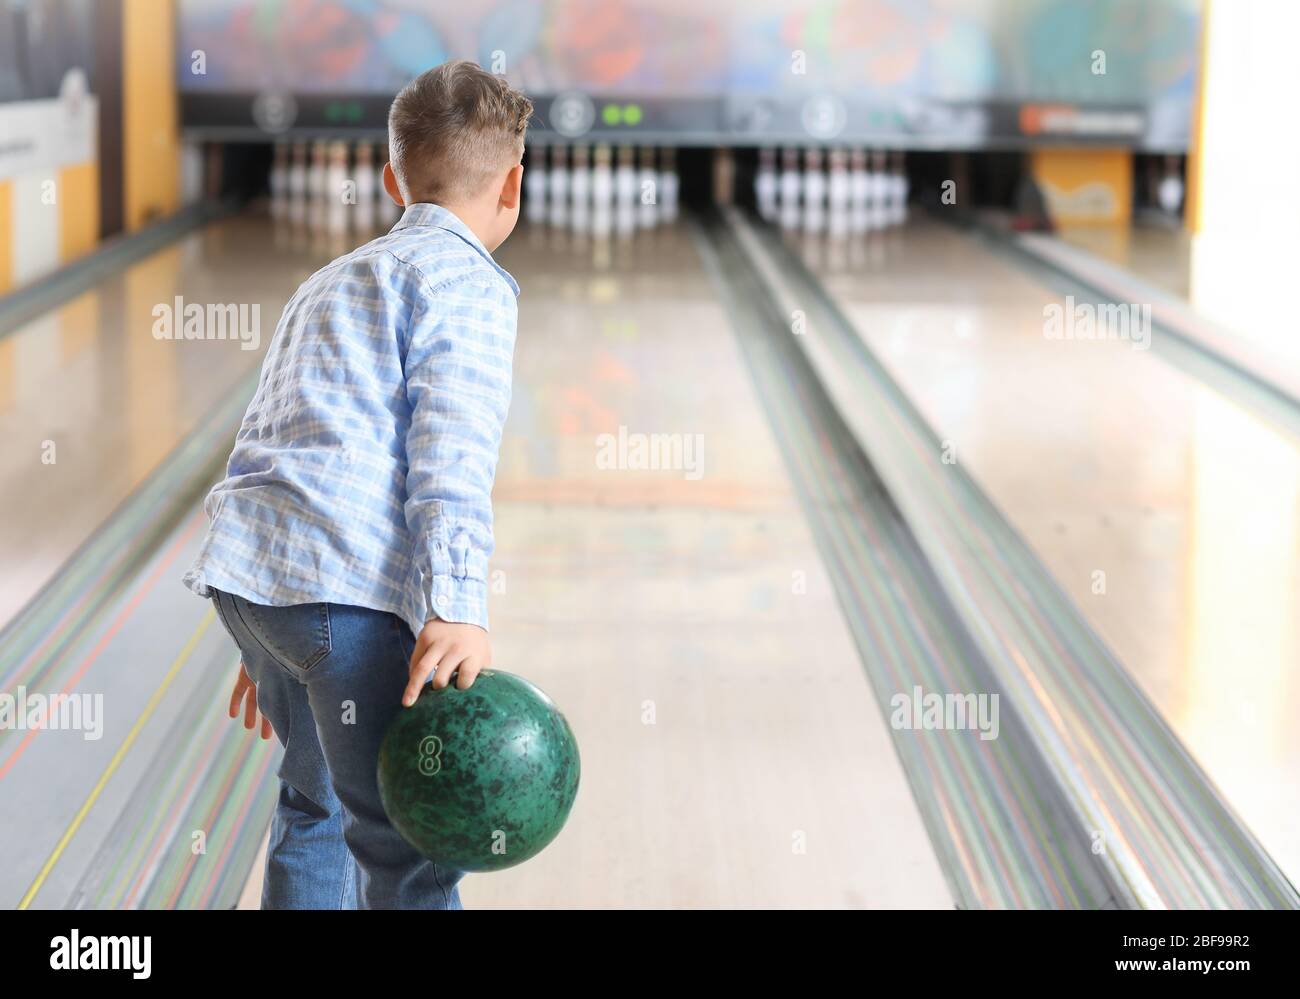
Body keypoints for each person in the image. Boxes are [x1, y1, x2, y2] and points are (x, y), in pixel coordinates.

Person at [182, 60, 532, 910]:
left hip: (260, 584)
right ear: (513, 185)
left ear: (390, 180)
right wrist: (456, 605)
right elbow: (450, 453)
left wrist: (267, 635)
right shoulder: (468, 285)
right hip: (344, 603)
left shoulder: (328, 279)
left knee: (314, 803)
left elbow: (271, 431)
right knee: (411, 843)